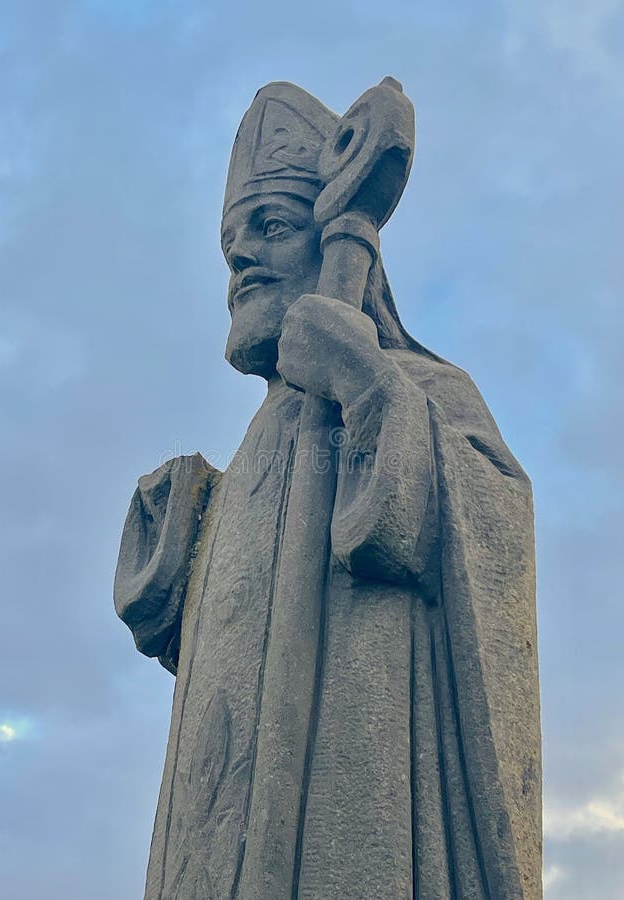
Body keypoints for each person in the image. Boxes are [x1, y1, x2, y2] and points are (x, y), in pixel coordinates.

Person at [115, 81, 542, 900]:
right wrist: (173, 550)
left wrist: (368, 387)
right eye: (230, 242)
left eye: (269, 228)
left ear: (331, 243)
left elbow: (490, 536)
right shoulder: (252, 456)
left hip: (358, 816)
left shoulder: (420, 389)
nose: (240, 257)